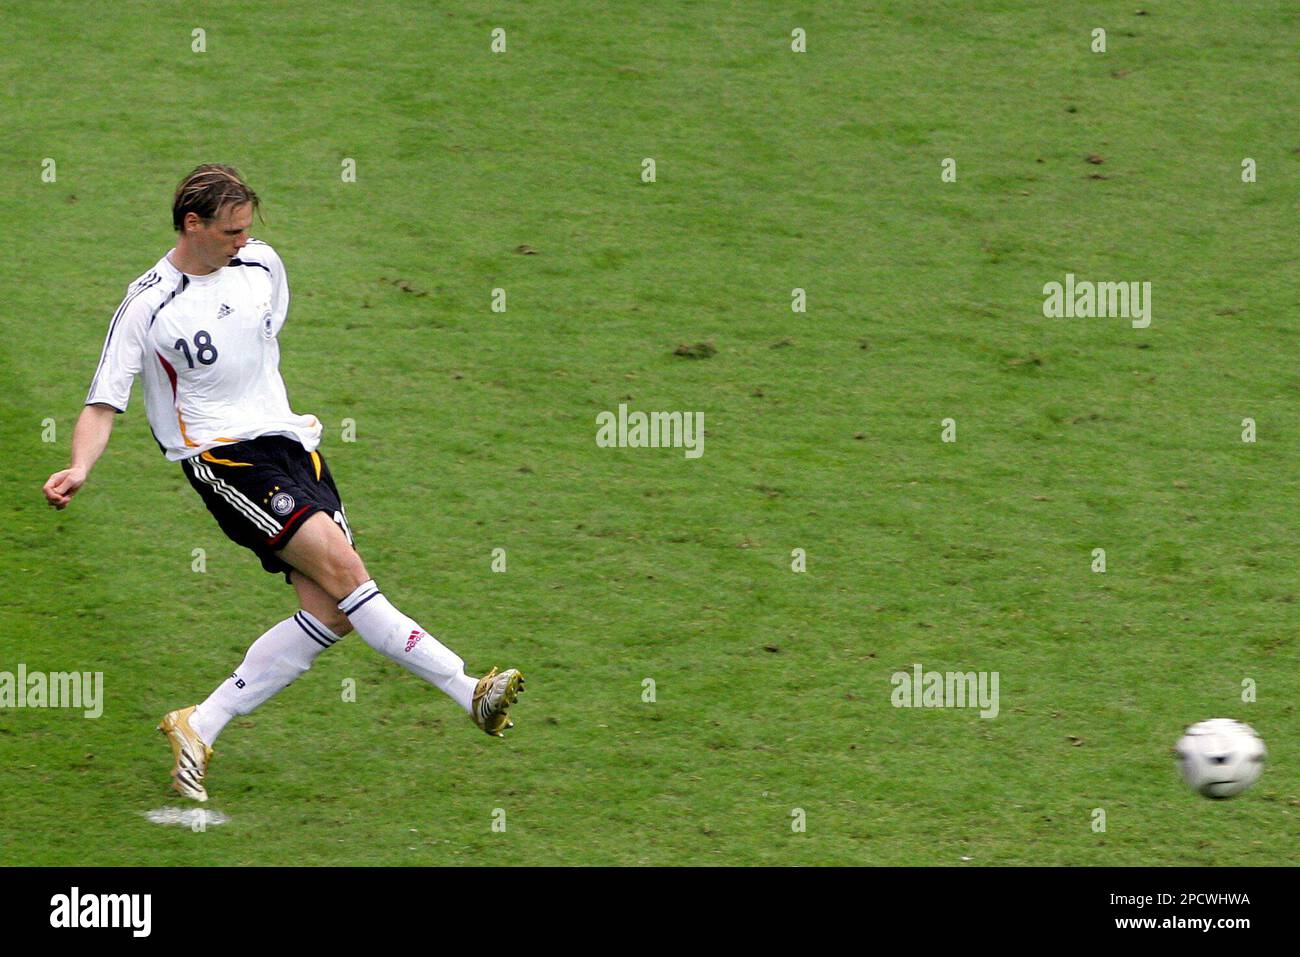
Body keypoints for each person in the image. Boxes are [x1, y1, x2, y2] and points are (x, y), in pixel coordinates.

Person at [42, 164, 524, 802]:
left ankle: (200, 722)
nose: (244, 240)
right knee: (350, 577)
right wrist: (80, 466)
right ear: (193, 224)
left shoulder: (264, 266)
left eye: (247, 229)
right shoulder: (148, 303)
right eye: (231, 231)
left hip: (294, 446)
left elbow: (261, 348)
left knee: (334, 611)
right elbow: (104, 400)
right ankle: (469, 691)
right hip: (225, 460)